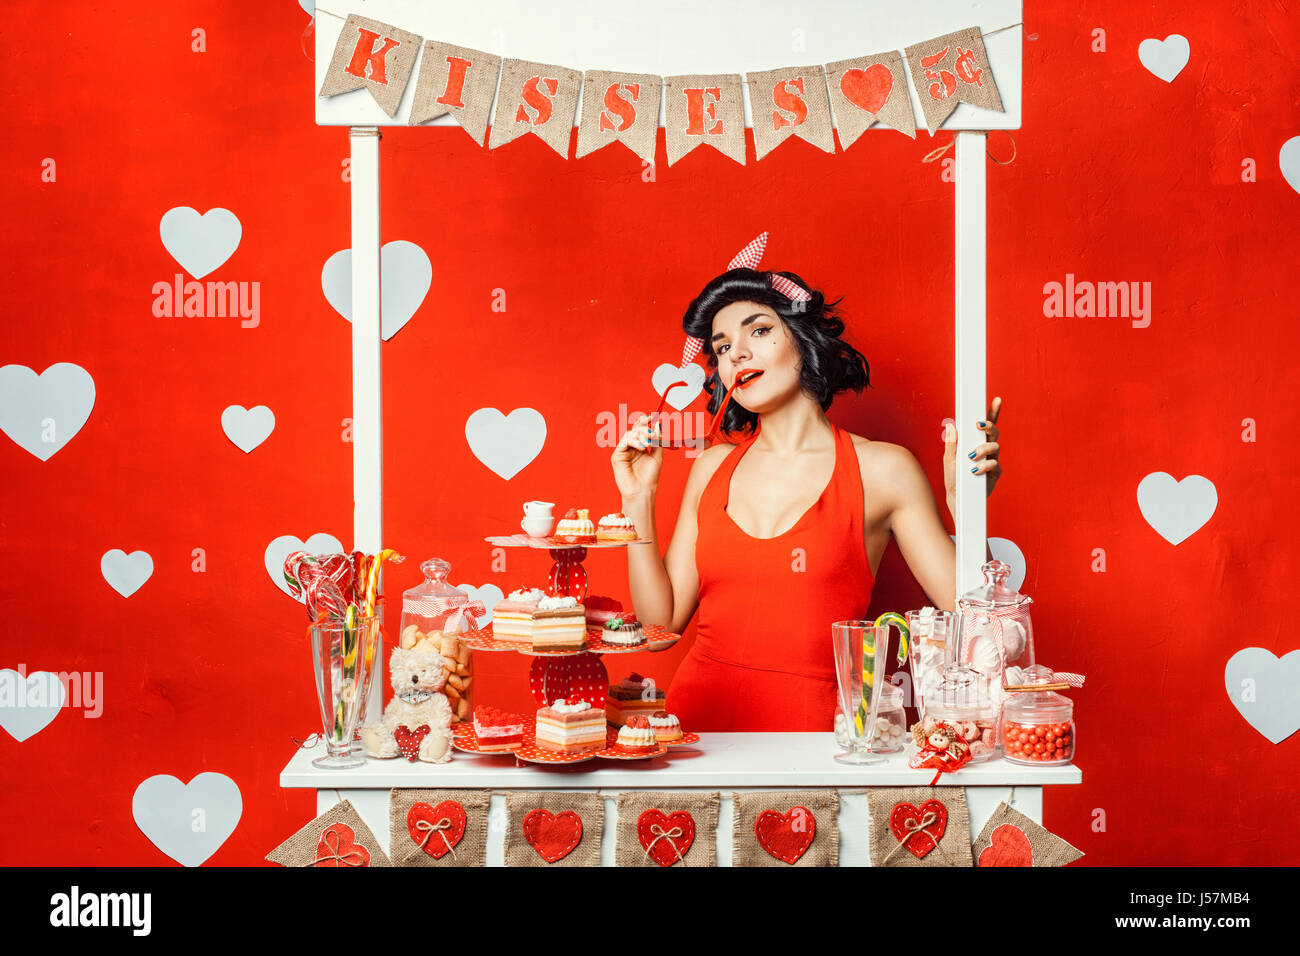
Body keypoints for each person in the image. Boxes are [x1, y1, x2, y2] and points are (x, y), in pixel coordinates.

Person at [609, 248, 1003, 732]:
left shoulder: (883, 469)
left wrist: (968, 511)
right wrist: (638, 501)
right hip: (699, 736)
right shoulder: (711, 468)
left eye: (759, 330)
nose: (737, 353)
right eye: (722, 346)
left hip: (820, 743)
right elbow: (660, 628)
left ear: (801, 337)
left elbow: (980, 628)